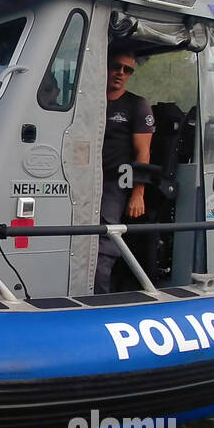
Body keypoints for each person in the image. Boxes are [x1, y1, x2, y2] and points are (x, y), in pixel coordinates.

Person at [95, 49, 154, 294]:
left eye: (127, 70)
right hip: (84, 178)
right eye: (116, 66)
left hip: (117, 182)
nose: (120, 73)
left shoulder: (136, 105)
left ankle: (98, 298)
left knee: (106, 241)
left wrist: (137, 193)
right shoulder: (91, 100)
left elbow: (144, 153)